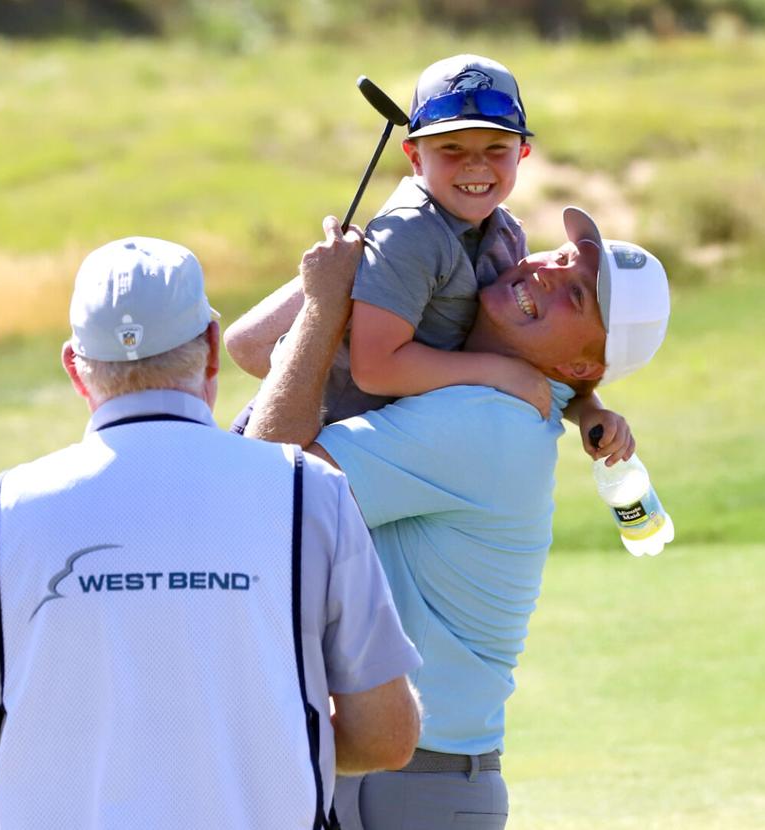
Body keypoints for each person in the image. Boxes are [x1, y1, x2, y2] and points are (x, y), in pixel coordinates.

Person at [0, 236, 423, 829]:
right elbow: (386, 737)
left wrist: (79, 756)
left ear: (76, 369)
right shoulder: (309, 491)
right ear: (209, 349)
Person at [242, 208, 670, 829]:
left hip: (397, 785)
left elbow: (268, 492)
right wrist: (386, 238)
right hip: (403, 776)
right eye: (562, 256)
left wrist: (323, 302)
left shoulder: (487, 421)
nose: (548, 271)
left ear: (582, 368)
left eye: (576, 295)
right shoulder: (487, 395)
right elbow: (254, 348)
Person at [227, 54, 634, 465]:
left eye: (496, 147)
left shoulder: (506, 232)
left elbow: (535, 348)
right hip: (287, 437)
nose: (475, 163)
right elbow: (376, 368)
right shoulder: (409, 232)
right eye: (451, 148)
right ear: (415, 156)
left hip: (346, 451)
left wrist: (587, 409)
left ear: (522, 155)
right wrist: (496, 373)